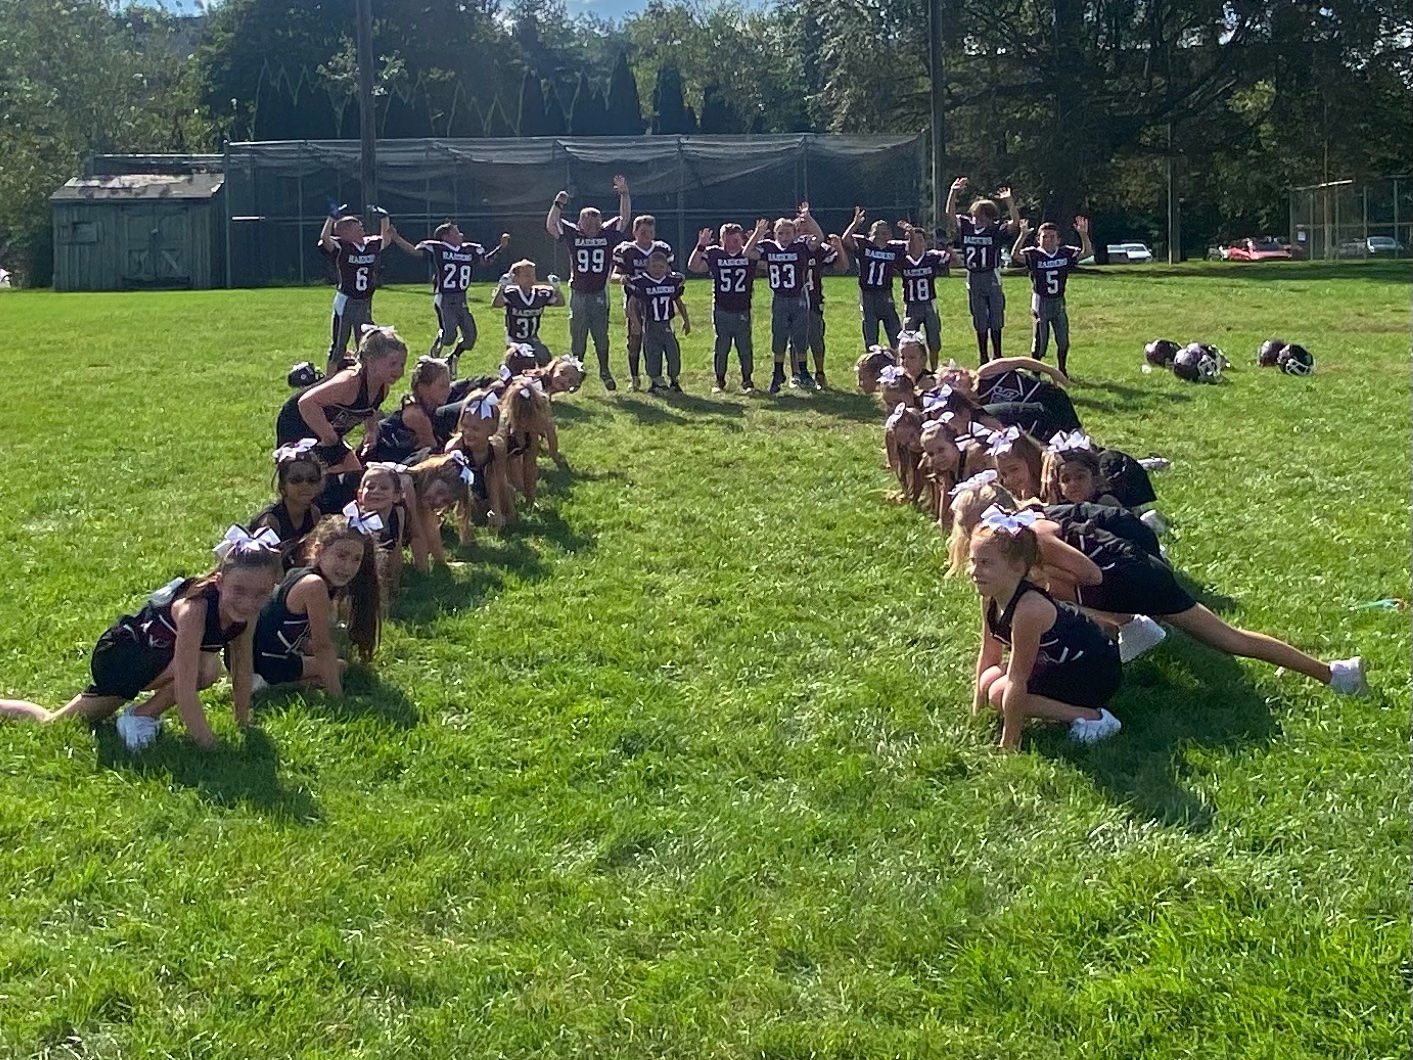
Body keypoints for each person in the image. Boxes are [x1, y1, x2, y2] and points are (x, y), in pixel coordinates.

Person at [950, 487, 1370, 691]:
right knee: (1047, 601)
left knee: (1228, 640)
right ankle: (1134, 628)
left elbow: (1091, 574)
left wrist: (1046, 592)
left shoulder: (1035, 536)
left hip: (1136, 578)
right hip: (1125, 577)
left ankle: (1334, 674)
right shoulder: (1024, 534)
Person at [0, 535, 283, 751]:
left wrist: (243, 722)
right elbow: (185, 689)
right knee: (205, 669)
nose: (249, 602)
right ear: (219, 582)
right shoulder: (194, 609)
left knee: (55, 722)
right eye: (239, 590)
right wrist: (209, 745)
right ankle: (139, 716)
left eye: (261, 594)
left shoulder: (247, 613)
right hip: (122, 656)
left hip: (153, 659)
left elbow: (243, 669)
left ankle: (138, 715)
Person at [967, 509, 1124, 750]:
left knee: (999, 692)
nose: (974, 572)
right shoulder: (991, 597)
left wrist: (1008, 743)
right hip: (1059, 663)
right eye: (973, 561)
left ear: (1018, 567)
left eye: (985, 563)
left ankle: (1095, 718)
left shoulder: (1029, 610)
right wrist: (976, 715)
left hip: (1094, 673)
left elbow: (1017, 680)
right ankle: (1059, 708)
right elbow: (989, 652)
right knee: (988, 678)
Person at [252, 514, 380, 697]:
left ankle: (271, 683)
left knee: (336, 658)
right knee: (340, 666)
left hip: (258, 655)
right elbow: (322, 647)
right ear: (318, 551)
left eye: (356, 559)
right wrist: (338, 697)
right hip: (265, 661)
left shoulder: (302, 573)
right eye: (341, 556)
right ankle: (267, 685)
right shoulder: (315, 586)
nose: (347, 566)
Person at [275, 325, 408, 476]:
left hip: (327, 429)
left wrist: (371, 431)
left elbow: (371, 409)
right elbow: (306, 402)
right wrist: (328, 436)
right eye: (392, 364)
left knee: (354, 472)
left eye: (402, 364)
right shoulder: (349, 383)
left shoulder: (382, 388)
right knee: (306, 475)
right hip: (299, 422)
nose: (399, 371)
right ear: (371, 362)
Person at [390, 223, 510, 375]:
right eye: (456, 232)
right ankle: (437, 347)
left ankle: (453, 357)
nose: (460, 234)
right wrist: (396, 237)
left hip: (462, 299)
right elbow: (415, 252)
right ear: (446, 237)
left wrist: (501, 246)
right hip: (444, 297)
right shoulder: (438, 249)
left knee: (470, 337)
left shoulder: (470, 250)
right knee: (449, 335)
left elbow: (485, 261)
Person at [546, 176, 632, 389]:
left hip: (599, 292)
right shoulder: (573, 234)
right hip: (579, 292)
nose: (592, 225)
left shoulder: (608, 233)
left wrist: (624, 193)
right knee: (578, 335)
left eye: (596, 221)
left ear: (601, 222)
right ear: (579, 223)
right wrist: (558, 203)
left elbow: (625, 217)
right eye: (587, 221)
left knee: (601, 335)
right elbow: (551, 224)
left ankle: (604, 369)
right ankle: (575, 374)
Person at [944, 176, 1021, 364]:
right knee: (979, 317)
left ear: (989, 217)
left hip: (991, 274)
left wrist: (1010, 201)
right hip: (974, 275)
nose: (977, 219)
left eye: (981, 216)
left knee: (995, 316)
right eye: (975, 215)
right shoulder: (967, 226)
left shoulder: (994, 229)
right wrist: (953, 192)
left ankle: (997, 353)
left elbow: (1014, 224)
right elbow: (950, 215)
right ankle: (983, 355)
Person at [688, 222, 763, 394]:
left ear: (742, 238)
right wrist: (700, 246)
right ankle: (720, 380)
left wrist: (757, 238)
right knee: (722, 347)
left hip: (743, 307)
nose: (733, 244)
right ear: (722, 240)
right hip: (721, 307)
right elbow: (693, 266)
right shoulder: (715, 253)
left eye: (736, 239)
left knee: (745, 347)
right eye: (729, 240)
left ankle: (747, 380)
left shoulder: (748, 253)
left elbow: (766, 263)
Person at [1013, 217, 1093, 375]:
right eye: (1044, 236)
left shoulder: (1065, 253)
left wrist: (1083, 235)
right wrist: (1022, 235)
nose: (1048, 240)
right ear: (1038, 239)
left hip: (1058, 301)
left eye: (1052, 237)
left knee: (1063, 340)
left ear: (1058, 240)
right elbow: (1015, 255)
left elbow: (1087, 253)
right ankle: (1035, 373)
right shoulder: (1034, 254)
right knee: (1040, 341)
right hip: (1041, 301)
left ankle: (1062, 369)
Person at [318, 206, 392, 374]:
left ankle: (361, 378)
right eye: (357, 227)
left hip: (365, 300)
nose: (362, 229)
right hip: (347, 300)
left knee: (364, 341)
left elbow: (386, 240)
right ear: (345, 233)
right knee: (339, 344)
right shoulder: (343, 246)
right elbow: (325, 239)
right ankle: (329, 379)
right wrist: (331, 218)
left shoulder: (370, 244)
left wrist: (384, 218)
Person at [752, 216, 818, 393]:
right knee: (779, 336)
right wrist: (757, 234)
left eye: (788, 233)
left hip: (799, 296)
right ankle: (778, 371)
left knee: (800, 335)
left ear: (795, 234)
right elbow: (746, 253)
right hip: (779, 297)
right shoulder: (769, 247)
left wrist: (809, 219)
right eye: (780, 233)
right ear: (775, 235)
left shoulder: (800, 247)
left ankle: (803, 371)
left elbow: (818, 238)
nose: (784, 236)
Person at [610, 214, 675, 391]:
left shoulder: (661, 248)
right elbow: (614, 275)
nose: (647, 235)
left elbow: (669, 272)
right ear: (635, 232)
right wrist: (623, 278)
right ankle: (635, 377)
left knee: (657, 339)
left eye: (650, 231)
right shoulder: (626, 249)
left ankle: (656, 377)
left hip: (657, 300)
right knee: (635, 338)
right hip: (635, 300)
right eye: (643, 231)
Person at [249, 440, 326, 569]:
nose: (305, 485)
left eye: (312, 480)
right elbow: (267, 567)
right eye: (296, 480)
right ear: (283, 486)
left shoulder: (314, 513)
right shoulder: (270, 521)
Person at [364, 355, 453, 465]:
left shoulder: (429, 407)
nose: (448, 390)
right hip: (377, 456)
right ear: (422, 388)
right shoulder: (417, 415)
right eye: (443, 386)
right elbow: (434, 451)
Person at [625, 249, 691, 393]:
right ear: (648, 267)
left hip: (667, 323)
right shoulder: (643, 282)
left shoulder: (670, 282)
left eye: (661, 267)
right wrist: (635, 321)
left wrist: (686, 320)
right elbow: (632, 303)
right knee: (652, 353)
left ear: (667, 268)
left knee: (673, 353)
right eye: (654, 266)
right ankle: (655, 381)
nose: (657, 270)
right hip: (650, 324)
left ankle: (674, 380)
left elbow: (678, 301)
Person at [795, 202, 846, 387]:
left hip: (814, 297)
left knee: (816, 338)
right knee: (795, 339)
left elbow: (842, 267)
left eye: (805, 227)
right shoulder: (790, 246)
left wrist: (839, 247)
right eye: (799, 228)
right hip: (793, 297)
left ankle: (819, 372)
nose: (803, 230)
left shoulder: (817, 248)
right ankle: (797, 374)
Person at [839, 207, 905, 347]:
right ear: (869, 234)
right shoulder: (864, 245)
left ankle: (897, 358)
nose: (880, 236)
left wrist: (910, 232)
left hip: (885, 292)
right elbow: (845, 239)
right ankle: (872, 361)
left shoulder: (894, 248)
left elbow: (912, 248)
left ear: (890, 235)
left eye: (884, 232)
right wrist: (855, 224)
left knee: (894, 329)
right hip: (867, 293)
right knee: (870, 329)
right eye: (877, 232)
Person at [898, 224, 951, 371]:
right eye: (910, 239)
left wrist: (948, 247)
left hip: (929, 304)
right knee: (908, 339)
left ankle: (933, 370)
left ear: (925, 242)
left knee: (934, 340)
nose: (914, 242)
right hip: (910, 305)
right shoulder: (902, 260)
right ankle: (909, 370)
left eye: (918, 239)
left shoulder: (932, 257)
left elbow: (955, 261)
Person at [491, 260, 565, 365]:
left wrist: (557, 289)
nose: (531, 278)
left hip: (533, 338)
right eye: (526, 275)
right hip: (514, 340)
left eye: (532, 275)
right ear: (515, 278)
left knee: (545, 358)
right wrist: (501, 287)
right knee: (520, 361)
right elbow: (496, 304)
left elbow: (560, 303)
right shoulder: (511, 293)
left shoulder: (540, 293)